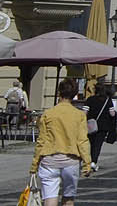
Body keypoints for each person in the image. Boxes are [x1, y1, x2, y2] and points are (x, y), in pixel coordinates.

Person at [32, 78, 92, 206]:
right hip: (71, 161)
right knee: (68, 198)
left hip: (49, 160)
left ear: (59, 92)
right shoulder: (79, 115)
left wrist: (34, 164)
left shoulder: (48, 114)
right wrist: (87, 163)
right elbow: (82, 141)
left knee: (50, 198)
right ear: (74, 94)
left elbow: (41, 141)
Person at [84, 82, 115, 172]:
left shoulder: (90, 99)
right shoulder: (107, 100)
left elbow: (84, 112)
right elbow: (112, 114)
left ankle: (88, 161)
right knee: (98, 145)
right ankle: (93, 161)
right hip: (103, 126)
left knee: (90, 143)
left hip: (91, 125)